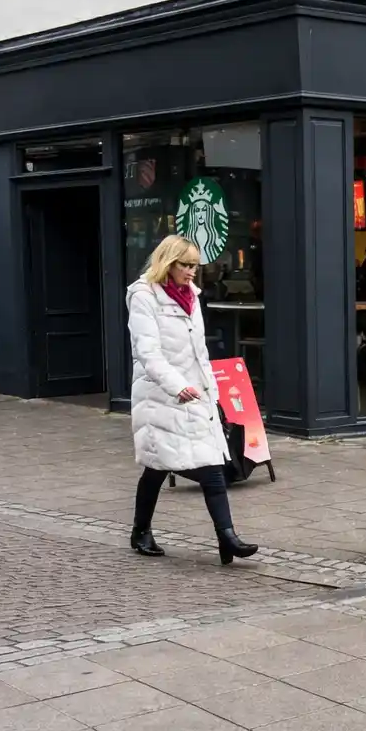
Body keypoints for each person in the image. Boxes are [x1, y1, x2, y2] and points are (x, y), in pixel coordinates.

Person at [126, 234, 258, 564]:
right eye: (187, 265)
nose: (192, 272)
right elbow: (147, 352)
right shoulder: (143, 296)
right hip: (160, 394)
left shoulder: (192, 296)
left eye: (196, 266)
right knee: (156, 467)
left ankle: (227, 538)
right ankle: (141, 530)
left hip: (195, 394)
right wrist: (176, 385)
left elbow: (200, 352)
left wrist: (212, 393)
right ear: (168, 264)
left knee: (212, 465)